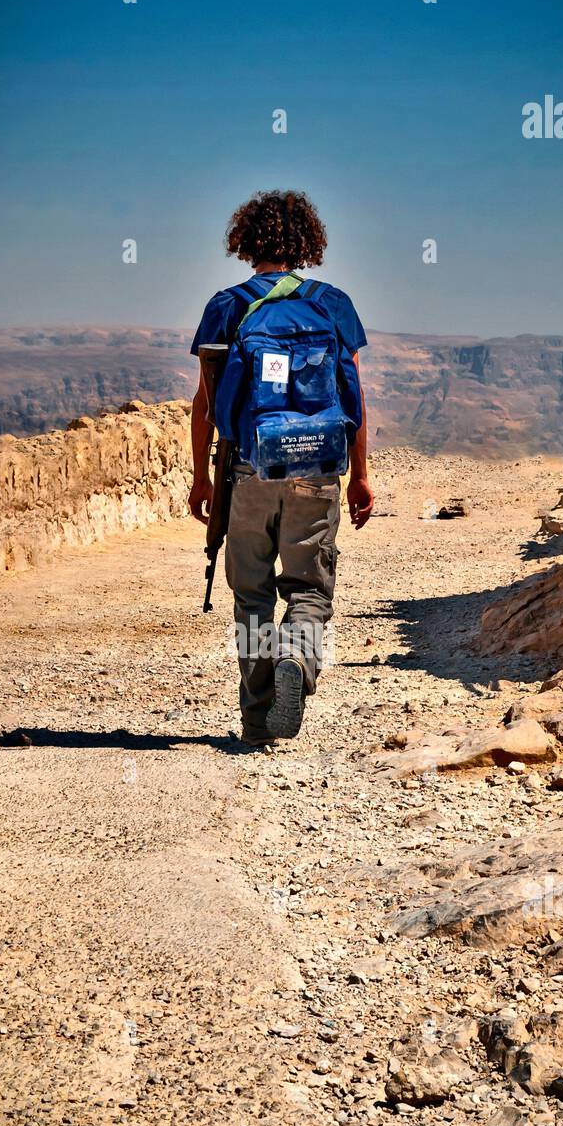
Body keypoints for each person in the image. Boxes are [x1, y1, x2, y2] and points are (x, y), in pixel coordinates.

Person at [189, 189, 373, 746]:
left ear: (244, 241)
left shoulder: (226, 305)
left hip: (247, 470)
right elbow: (355, 396)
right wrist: (360, 475)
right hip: (317, 469)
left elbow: (205, 402)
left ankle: (257, 720)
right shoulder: (332, 303)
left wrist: (201, 477)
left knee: (252, 595)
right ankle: (297, 655)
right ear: (307, 242)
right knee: (309, 591)